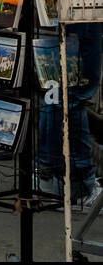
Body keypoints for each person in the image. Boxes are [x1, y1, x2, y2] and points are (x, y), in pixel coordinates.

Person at [37, 23, 102, 206]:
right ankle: (78, 185)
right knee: (72, 90)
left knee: (60, 91)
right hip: (81, 8)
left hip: (75, 10)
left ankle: (51, 174)